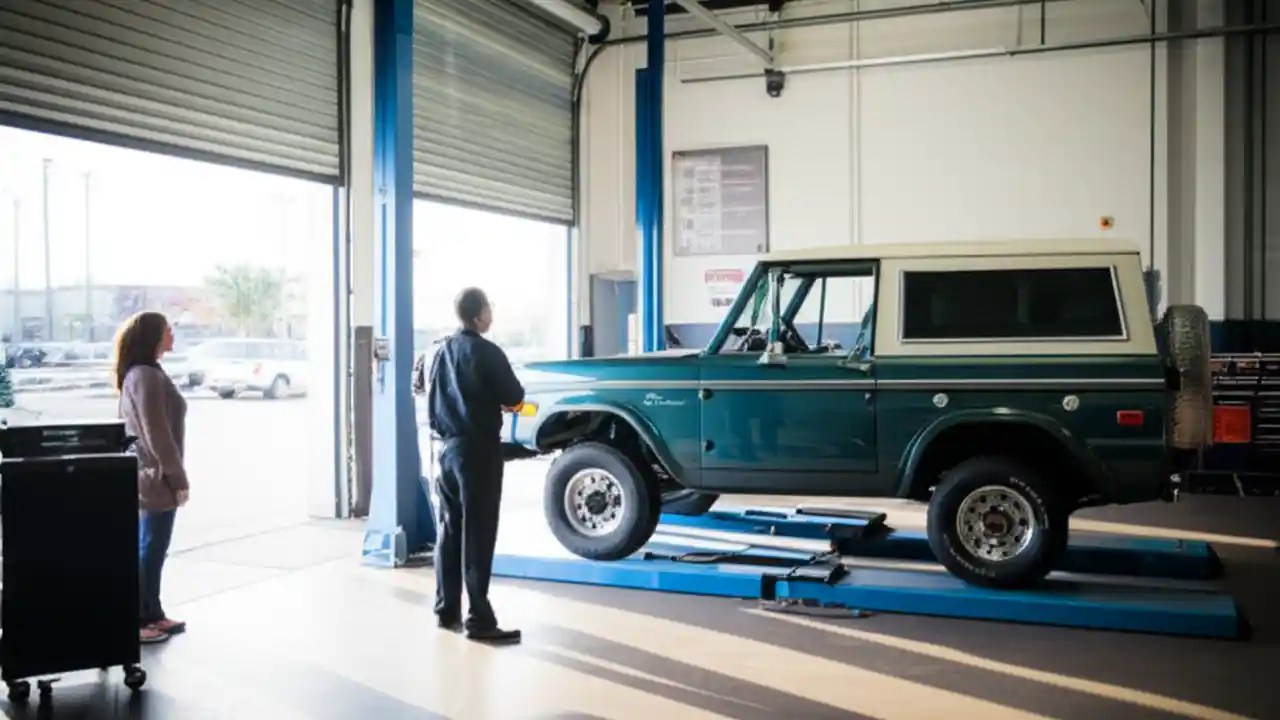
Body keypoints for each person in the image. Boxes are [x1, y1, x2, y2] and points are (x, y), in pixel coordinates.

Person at [428, 287, 524, 644]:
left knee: (449, 532)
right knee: (478, 535)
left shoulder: (440, 352)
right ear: (479, 314)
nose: (491, 314)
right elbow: (514, 397)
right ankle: (479, 619)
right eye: (489, 308)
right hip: (479, 453)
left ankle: (445, 610)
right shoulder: (487, 352)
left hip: (447, 453)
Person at [113, 311, 190, 645]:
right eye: (168, 329)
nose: (173, 334)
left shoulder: (148, 373)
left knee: (154, 548)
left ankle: (153, 612)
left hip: (153, 475)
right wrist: (177, 477)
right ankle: (139, 618)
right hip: (154, 477)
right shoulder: (145, 376)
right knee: (150, 548)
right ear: (154, 336)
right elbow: (156, 433)